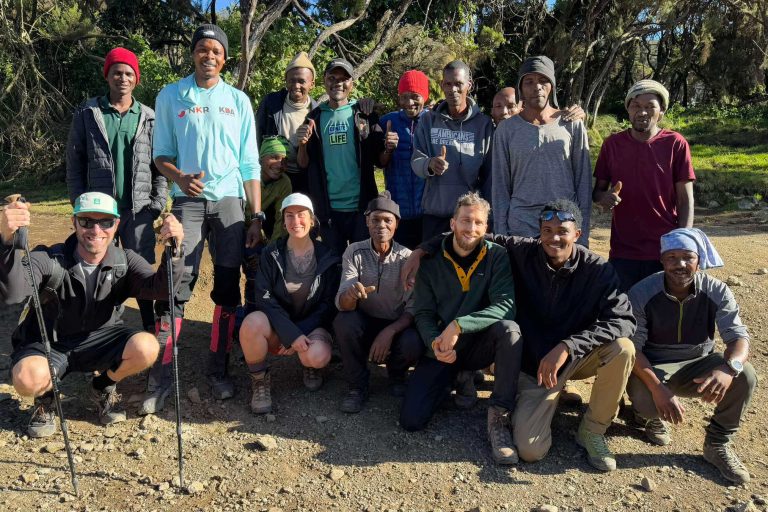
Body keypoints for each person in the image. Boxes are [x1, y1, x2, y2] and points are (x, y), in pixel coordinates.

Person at [406, 199, 636, 471]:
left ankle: (593, 431)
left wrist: (568, 345)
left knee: (623, 348)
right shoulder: (522, 250)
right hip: (534, 366)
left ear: (577, 234)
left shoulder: (597, 269)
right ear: (539, 231)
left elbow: (623, 321)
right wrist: (421, 250)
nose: (554, 237)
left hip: (574, 356)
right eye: (547, 230)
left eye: (563, 230)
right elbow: (471, 233)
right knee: (530, 450)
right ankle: (539, 398)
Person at [142, 24, 262, 413]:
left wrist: (255, 214)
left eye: (216, 51)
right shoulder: (170, 96)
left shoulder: (238, 100)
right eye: (202, 49)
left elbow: (249, 163)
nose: (208, 56)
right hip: (187, 203)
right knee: (176, 280)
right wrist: (178, 177)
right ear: (192, 54)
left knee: (227, 284)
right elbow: (160, 154)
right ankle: (159, 376)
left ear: (225, 59)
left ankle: (218, 368)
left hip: (228, 203)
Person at [1, 192, 184, 436]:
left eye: (106, 222)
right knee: (26, 377)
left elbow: (161, 289)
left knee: (147, 346)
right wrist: (5, 241)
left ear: (116, 224)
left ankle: (103, 385)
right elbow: (13, 292)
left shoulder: (124, 260)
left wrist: (175, 251)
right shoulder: (49, 258)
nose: (96, 229)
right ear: (74, 222)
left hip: (100, 339)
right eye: (87, 221)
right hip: (50, 343)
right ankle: (46, 399)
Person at [399, 192, 523, 466]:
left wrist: (460, 325)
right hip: (443, 348)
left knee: (509, 330)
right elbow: (423, 313)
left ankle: (499, 417)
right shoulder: (430, 261)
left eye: (478, 223)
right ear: (453, 223)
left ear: (486, 228)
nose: (471, 228)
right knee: (411, 421)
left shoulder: (497, 256)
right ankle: (455, 378)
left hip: (479, 346)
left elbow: (506, 305)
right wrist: (434, 342)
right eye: (466, 221)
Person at [627, 228, 756, 484]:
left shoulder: (716, 290)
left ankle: (717, 444)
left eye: (687, 257)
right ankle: (647, 417)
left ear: (699, 260)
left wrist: (729, 369)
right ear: (662, 260)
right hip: (653, 365)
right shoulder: (642, 292)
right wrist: (658, 389)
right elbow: (633, 349)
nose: (680, 265)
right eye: (672, 258)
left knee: (746, 376)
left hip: (697, 364)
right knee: (646, 400)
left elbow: (738, 337)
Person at [66, 47, 168, 333]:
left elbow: (160, 164)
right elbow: (75, 162)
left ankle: (149, 325)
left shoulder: (149, 116)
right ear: (107, 76)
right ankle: (104, 327)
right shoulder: (89, 113)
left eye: (128, 73)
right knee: (101, 267)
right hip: (100, 211)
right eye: (117, 73)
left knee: (143, 267)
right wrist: (79, 203)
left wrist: (157, 203)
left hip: (138, 210)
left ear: (136, 79)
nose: (122, 78)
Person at [239, 193, 340, 413]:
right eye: (289, 216)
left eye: (301, 215)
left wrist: (297, 334)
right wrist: (289, 334)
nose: (296, 222)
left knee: (318, 356)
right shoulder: (271, 253)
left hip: (311, 327)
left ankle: (309, 366)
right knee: (250, 324)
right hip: (279, 325)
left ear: (312, 220)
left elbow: (327, 304)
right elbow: (263, 297)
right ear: (283, 222)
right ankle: (259, 380)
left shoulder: (327, 256)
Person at [593, 79, 695, 291]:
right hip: (623, 251)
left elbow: (685, 200)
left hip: (664, 249)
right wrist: (605, 198)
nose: (642, 112)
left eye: (650, 107)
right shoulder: (612, 145)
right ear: (628, 110)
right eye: (636, 106)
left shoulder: (675, 144)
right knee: (624, 314)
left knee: (663, 313)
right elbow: (597, 191)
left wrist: (682, 245)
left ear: (662, 112)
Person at [333, 191, 423, 413]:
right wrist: (351, 294)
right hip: (364, 320)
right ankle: (357, 385)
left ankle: (396, 373)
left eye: (387, 220)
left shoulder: (407, 258)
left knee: (414, 339)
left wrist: (389, 332)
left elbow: (413, 309)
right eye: (375, 219)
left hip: (395, 324)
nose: (381, 225)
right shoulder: (354, 252)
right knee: (344, 322)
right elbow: (343, 302)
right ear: (366, 221)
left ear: (396, 225)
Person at [492, 56, 592, 245]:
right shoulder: (506, 130)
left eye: (543, 80)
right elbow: (500, 187)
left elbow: (583, 184)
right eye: (529, 82)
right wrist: (502, 236)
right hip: (520, 226)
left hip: (562, 225)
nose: (537, 87)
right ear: (520, 88)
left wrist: (583, 235)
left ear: (552, 86)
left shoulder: (572, 125)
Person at [297, 57, 383, 256]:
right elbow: (303, 164)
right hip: (328, 211)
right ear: (324, 81)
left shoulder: (363, 114)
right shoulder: (314, 118)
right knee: (333, 268)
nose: (338, 83)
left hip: (361, 209)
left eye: (344, 78)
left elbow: (380, 160)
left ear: (351, 84)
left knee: (362, 265)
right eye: (332, 77)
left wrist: (387, 147)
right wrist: (301, 145)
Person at [411, 60, 494, 241]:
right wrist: (430, 164)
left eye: (458, 84)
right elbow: (416, 160)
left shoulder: (484, 124)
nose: (453, 90)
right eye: (448, 84)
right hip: (435, 214)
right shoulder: (428, 121)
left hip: (469, 217)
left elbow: (489, 176)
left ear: (469, 85)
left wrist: (488, 216)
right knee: (434, 268)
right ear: (442, 85)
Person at [378, 70, 430, 248]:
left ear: (425, 96)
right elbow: (379, 162)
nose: (409, 103)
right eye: (404, 97)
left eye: (415, 96)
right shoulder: (387, 121)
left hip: (428, 212)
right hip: (398, 210)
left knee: (427, 265)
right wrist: (388, 149)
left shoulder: (434, 121)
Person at [255, 51, 318, 193]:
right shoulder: (271, 103)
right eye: (292, 80)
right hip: (274, 175)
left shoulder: (317, 113)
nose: (296, 85)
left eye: (302, 81)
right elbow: (257, 135)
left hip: (304, 178)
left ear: (312, 84)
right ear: (286, 81)